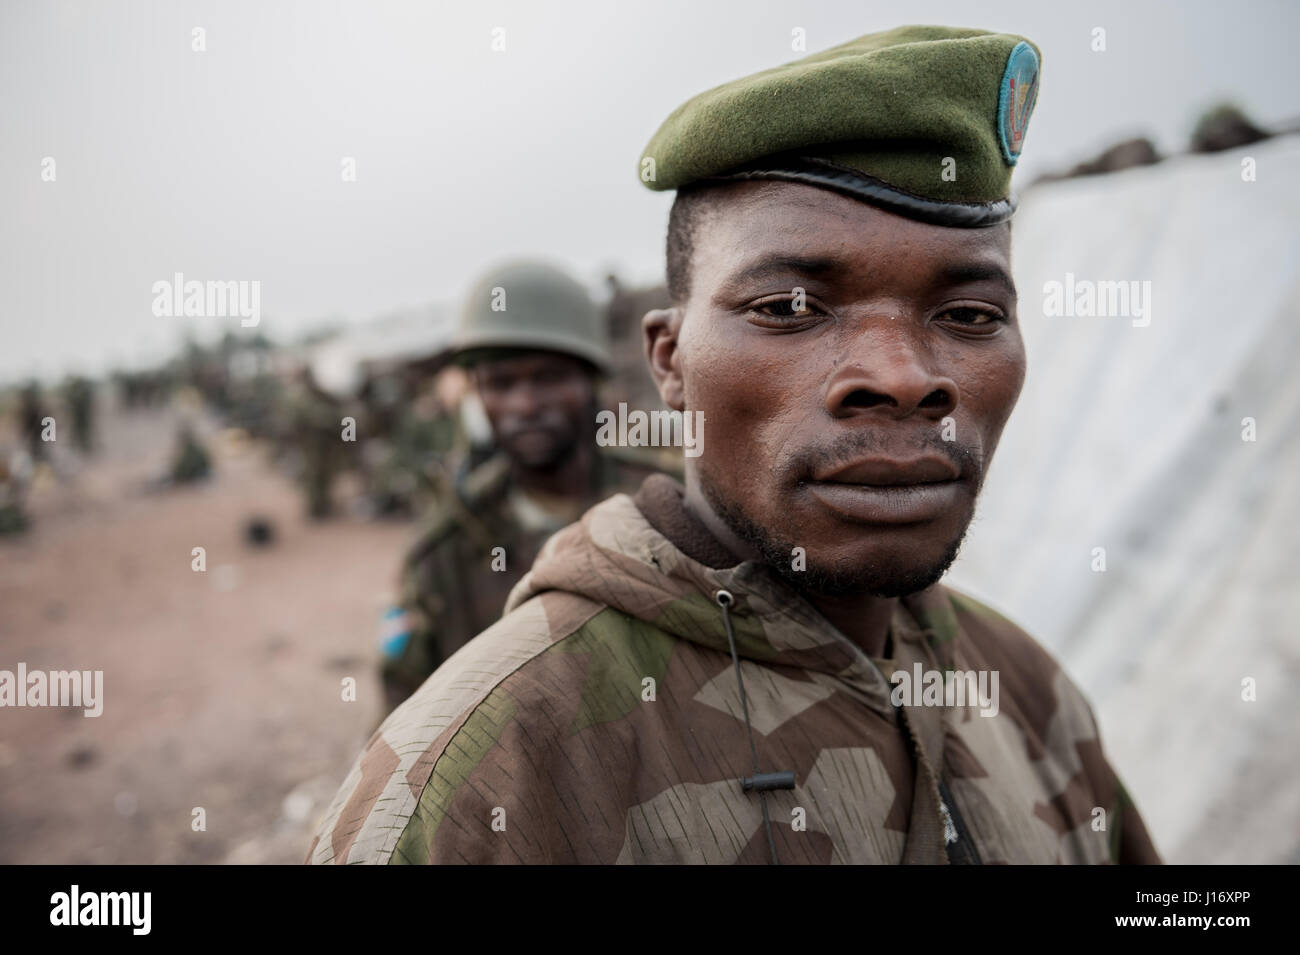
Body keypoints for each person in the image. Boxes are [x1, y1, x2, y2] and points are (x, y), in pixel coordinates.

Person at [311, 25, 1160, 865]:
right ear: (668, 362)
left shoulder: (1026, 692)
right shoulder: (478, 785)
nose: (904, 378)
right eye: (790, 307)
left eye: (969, 315)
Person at [377, 260, 666, 713]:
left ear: (590, 383)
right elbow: (401, 717)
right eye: (501, 383)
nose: (525, 404)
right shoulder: (446, 549)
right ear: (478, 395)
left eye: (548, 378)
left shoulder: (665, 505)